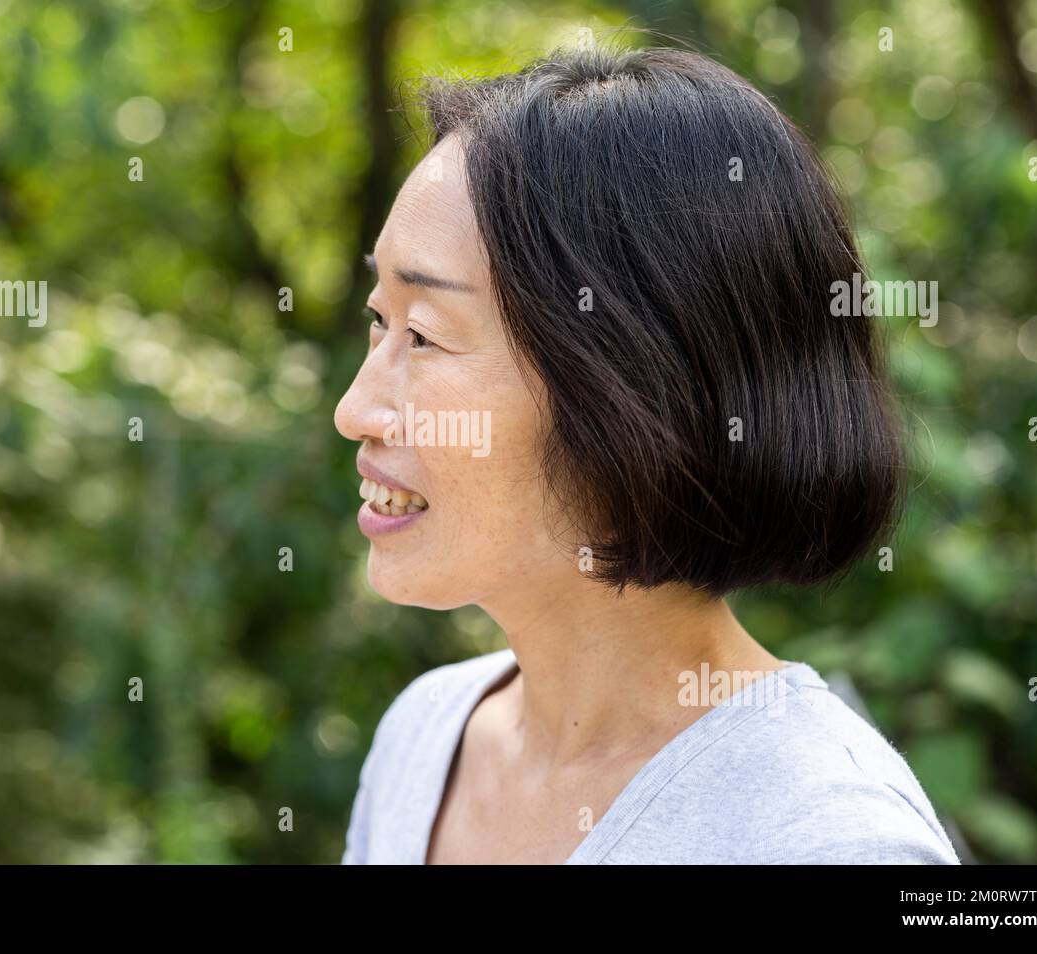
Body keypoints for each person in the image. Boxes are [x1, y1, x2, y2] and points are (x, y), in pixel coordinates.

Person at [333, 44, 960, 864]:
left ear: (633, 389)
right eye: (381, 322)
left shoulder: (826, 837)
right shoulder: (426, 737)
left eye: (424, 335)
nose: (355, 411)